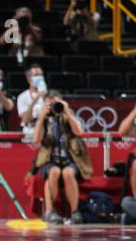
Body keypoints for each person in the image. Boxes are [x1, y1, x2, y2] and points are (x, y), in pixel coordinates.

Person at [31, 95, 91, 224]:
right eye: (50, 105)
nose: (54, 108)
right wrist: (41, 117)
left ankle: (75, 212)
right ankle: (51, 211)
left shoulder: (68, 117)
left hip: (70, 160)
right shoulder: (45, 120)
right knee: (54, 172)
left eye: (56, 104)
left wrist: (67, 112)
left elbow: (79, 132)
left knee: (67, 173)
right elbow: (35, 139)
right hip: (49, 161)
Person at [16, 63, 49, 136]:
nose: (40, 78)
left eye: (41, 75)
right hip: (30, 131)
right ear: (28, 78)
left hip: (46, 130)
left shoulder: (48, 95)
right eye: (36, 75)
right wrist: (36, 99)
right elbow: (25, 119)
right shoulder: (22, 96)